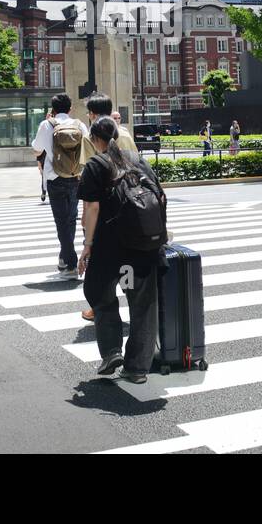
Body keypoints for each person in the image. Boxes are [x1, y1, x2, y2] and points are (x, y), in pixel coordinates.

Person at [77, 116, 163, 384]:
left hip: (110, 249)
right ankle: (137, 368)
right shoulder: (137, 159)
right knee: (142, 305)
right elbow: (159, 195)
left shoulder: (96, 165)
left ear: (94, 140)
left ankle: (112, 351)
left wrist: (87, 246)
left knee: (100, 295)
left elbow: (91, 209)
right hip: (143, 246)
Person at [79, 94, 135, 321]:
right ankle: (132, 302)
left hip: (103, 216)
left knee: (101, 268)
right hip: (130, 211)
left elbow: (88, 184)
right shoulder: (125, 133)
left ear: (92, 114)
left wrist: (86, 232)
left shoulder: (91, 137)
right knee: (127, 264)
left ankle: (100, 307)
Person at [31, 93, 88, 275]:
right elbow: (88, 149)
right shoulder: (79, 125)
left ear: (53, 109)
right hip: (75, 177)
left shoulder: (46, 124)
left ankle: (70, 263)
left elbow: (37, 148)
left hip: (55, 178)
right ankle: (65, 258)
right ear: (70, 108)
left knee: (61, 222)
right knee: (71, 220)